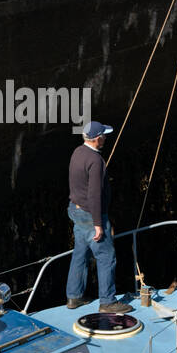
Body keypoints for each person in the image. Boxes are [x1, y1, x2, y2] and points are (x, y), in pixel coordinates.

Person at [65, 119, 126, 311]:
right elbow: (94, 194)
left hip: (75, 210)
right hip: (92, 215)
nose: (106, 138)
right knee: (106, 256)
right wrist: (98, 224)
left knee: (80, 254)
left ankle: (74, 297)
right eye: (104, 136)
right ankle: (107, 301)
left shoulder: (77, 152)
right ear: (97, 139)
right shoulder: (95, 160)